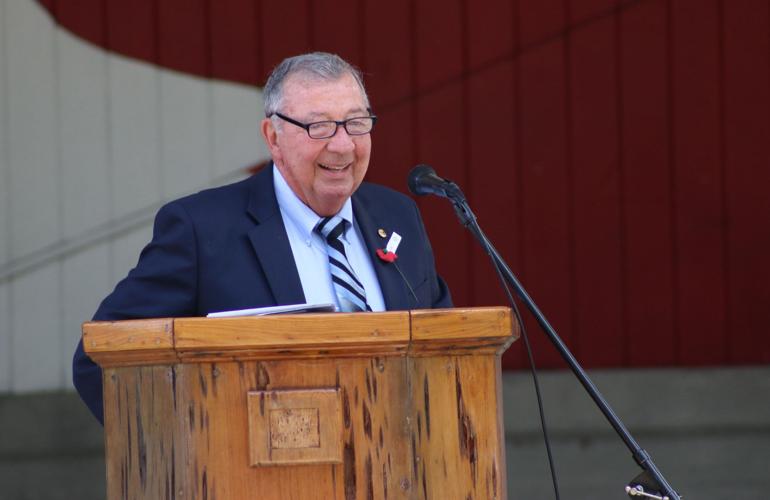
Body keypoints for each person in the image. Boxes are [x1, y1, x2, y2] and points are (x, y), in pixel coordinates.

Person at [72, 52, 452, 424]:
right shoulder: (201, 230)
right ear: (273, 137)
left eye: (356, 123)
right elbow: (101, 360)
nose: (342, 145)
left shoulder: (398, 217)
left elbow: (445, 350)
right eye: (318, 126)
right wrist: (184, 453)